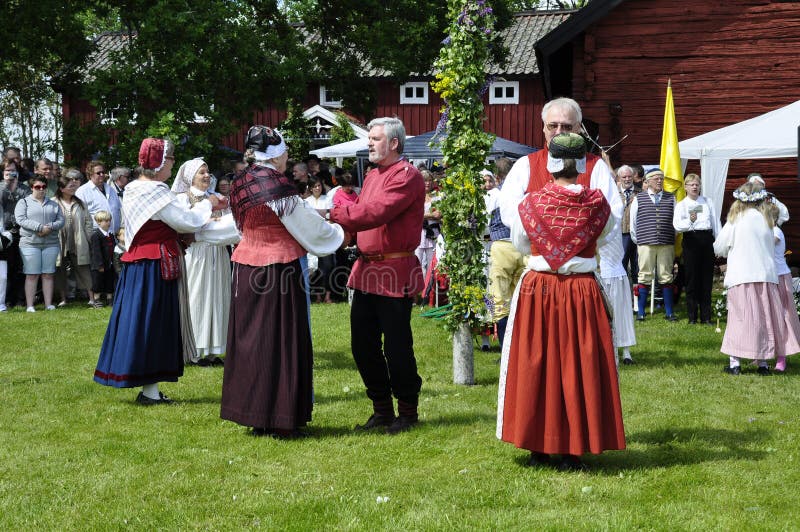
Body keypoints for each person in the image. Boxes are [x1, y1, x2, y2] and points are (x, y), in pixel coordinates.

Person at [496, 132, 625, 470]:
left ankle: (537, 445)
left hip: (539, 287)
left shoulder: (531, 203)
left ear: (550, 164)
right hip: (581, 289)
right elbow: (609, 232)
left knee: (535, 362)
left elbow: (522, 244)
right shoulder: (598, 203)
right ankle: (573, 447)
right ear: (582, 165)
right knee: (578, 364)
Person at [221, 126, 342, 437]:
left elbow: (237, 226)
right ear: (276, 154)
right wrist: (339, 234)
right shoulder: (278, 186)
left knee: (254, 341)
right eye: (286, 152)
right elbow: (310, 229)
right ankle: (282, 417)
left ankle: (256, 414)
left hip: (246, 269)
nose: (288, 158)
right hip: (280, 270)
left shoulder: (240, 182)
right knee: (282, 341)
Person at [94, 138, 217, 404]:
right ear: (161, 162)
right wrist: (209, 204)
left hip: (140, 264)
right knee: (153, 323)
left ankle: (148, 388)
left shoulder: (135, 187)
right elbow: (187, 220)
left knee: (141, 321)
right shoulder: (155, 191)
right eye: (171, 159)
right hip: (153, 265)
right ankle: (149, 390)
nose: (173, 165)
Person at [329, 117, 425, 434]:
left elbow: (375, 213)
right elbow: (361, 210)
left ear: (394, 143)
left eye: (375, 138)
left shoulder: (407, 176)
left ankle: (407, 413)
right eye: (369, 138)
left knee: (397, 348)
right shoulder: (372, 175)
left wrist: (333, 213)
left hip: (394, 271)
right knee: (363, 346)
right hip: (368, 270)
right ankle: (382, 411)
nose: (369, 143)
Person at [498, 97, 623, 232]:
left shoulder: (596, 165)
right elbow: (508, 211)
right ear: (544, 128)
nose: (558, 132)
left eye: (566, 126)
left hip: (583, 248)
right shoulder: (525, 165)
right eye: (552, 125)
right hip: (536, 248)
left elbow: (612, 211)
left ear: (578, 129)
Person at [714, 182, 798, 375]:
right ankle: (761, 363)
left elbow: (719, 246)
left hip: (742, 275)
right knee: (762, 319)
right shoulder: (765, 220)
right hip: (765, 276)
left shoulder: (736, 220)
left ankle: (735, 362)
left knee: (740, 318)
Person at [172, 158, 239, 366]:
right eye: (202, 172)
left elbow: (231, 223)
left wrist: (211, 223)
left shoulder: (217, 197)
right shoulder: (182, 199)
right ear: (190, 176)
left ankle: (213, 350)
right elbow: (184, 224)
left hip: (217, 252)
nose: (206, 175)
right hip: (195, 254)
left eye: (208, 172)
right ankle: (195, 349)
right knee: (197, 297)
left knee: (218, 296)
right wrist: (208, 224)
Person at [630, 168, 678, 321]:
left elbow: (676, 223)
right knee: (644, 276)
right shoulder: (639, 198)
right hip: (645, 243)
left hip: (666, 242)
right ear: (648, 181)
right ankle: (641, 312)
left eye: (661, 178)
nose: (659, 181)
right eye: (656, 178)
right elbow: (633, 223)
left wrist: (670, 236)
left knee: (666, 276)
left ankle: (669, 312)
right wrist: (641, 240)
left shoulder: (671, 198)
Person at [672, 173, 719, 324]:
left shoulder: (707, 202)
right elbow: (677, 225)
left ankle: (706, 316)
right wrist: (690, 222)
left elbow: (715, 223)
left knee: (706, 279)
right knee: (691, 279)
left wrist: (719, 244)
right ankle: (692, 316)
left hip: (706, 240)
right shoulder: (682, 205)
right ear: (685, 187)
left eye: (697, 184)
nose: (694, 187)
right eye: (691, 184)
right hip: (691, 240)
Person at [14, 175, 65, 312]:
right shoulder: (23, 202)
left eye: (43, 187)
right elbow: (20, 219)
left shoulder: (54, 203)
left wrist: (50, 227)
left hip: (51, 243)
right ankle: (30, 306)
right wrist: (39, 227)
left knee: (48, 274)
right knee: (32, 274)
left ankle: (49, 304)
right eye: (37, 187)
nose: (41, 189)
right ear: (32, 188)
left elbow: (61, 221)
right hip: (29, 244)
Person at [53, 173, 95, 307]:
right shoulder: (53, 202)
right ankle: (63, 299)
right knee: (60, 271)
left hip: (79, 241)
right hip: (60, 241)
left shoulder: (80, 203)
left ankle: (92, 298)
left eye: (73, 186)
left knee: (84, 269)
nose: (73, 188)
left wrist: (88, 239)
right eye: (70, 186)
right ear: (61, 188)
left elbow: (88, 222)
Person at [768, 203, 800, 372]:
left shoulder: (776, 232)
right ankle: (767, 354)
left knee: (782, 316)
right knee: (769, 317)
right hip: (768, 277)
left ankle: (782, 357)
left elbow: (766, 245)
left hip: (780, 277)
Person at [0, 158, 31, 309]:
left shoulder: (24, 189)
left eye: (13, 171)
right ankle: (6, 299)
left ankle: (20, 299)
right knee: (7, 268)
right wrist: (6, 185)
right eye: (7, 171)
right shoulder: (0, 187)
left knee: (21, 266)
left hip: (22, 231)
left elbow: (29, 203)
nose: (11, 173)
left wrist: (15, 185)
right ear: (2, 172)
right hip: (4, 233)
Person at [76, 160, 123, 235]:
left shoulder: (111, 189)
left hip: (114, 235)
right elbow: (79, 217)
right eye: (98, 173)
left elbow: (118, 211)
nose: (102, 174)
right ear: (90, 174)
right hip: (95, 236)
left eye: (103, 172)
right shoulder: (82, 191)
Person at [415, 170, 441, 281]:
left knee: (433, 265)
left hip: (433, 233)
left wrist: (424, 216)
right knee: (418, 264)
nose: (428, 183)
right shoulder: (415, 196)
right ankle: (417, 293)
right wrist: (430, 215)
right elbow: (414, 215)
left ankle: (429, 292)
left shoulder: (437, 196)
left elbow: (439, 214)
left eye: (430, 180)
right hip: (419, 233)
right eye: (425, 180)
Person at [89, 210, 117, 306]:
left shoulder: (111, 235)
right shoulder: (96, 235)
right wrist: (99, 265)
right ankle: (96, 299)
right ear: (98, 222)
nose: (108, 223)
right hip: (99, 265)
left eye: (109, 220)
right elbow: (96, 252)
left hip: (110, 263)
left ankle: (109, 299)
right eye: (106, 221)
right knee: (98, 282)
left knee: (109, 280)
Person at [617, 164, 639, 281]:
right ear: (619, 178)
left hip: (637, 234)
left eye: (629, 176)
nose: (627, 179)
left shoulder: (640, 193)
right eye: (624, 177)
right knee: (622, 266)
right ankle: (624, 297)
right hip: (620, 235)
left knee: (637, 268)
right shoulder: (614, 194)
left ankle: (638, 298)